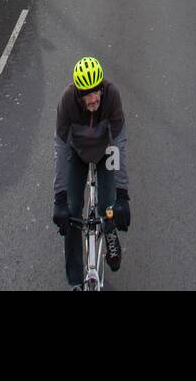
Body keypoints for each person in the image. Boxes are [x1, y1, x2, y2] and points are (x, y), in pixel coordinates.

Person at [52, 58, 129, 291]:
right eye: (88, 95)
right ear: (78, 94)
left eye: (97, 92)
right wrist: (59, 199)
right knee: (73, 212)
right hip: (77, 152)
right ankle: (75, 279)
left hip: (106, 152)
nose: (94, 99)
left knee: (109, 206)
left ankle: (110, 235)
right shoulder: (67, 103)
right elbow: (61, 148)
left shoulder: (112, 96)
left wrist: (122, 195)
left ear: (101, 88)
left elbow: (118, 144)